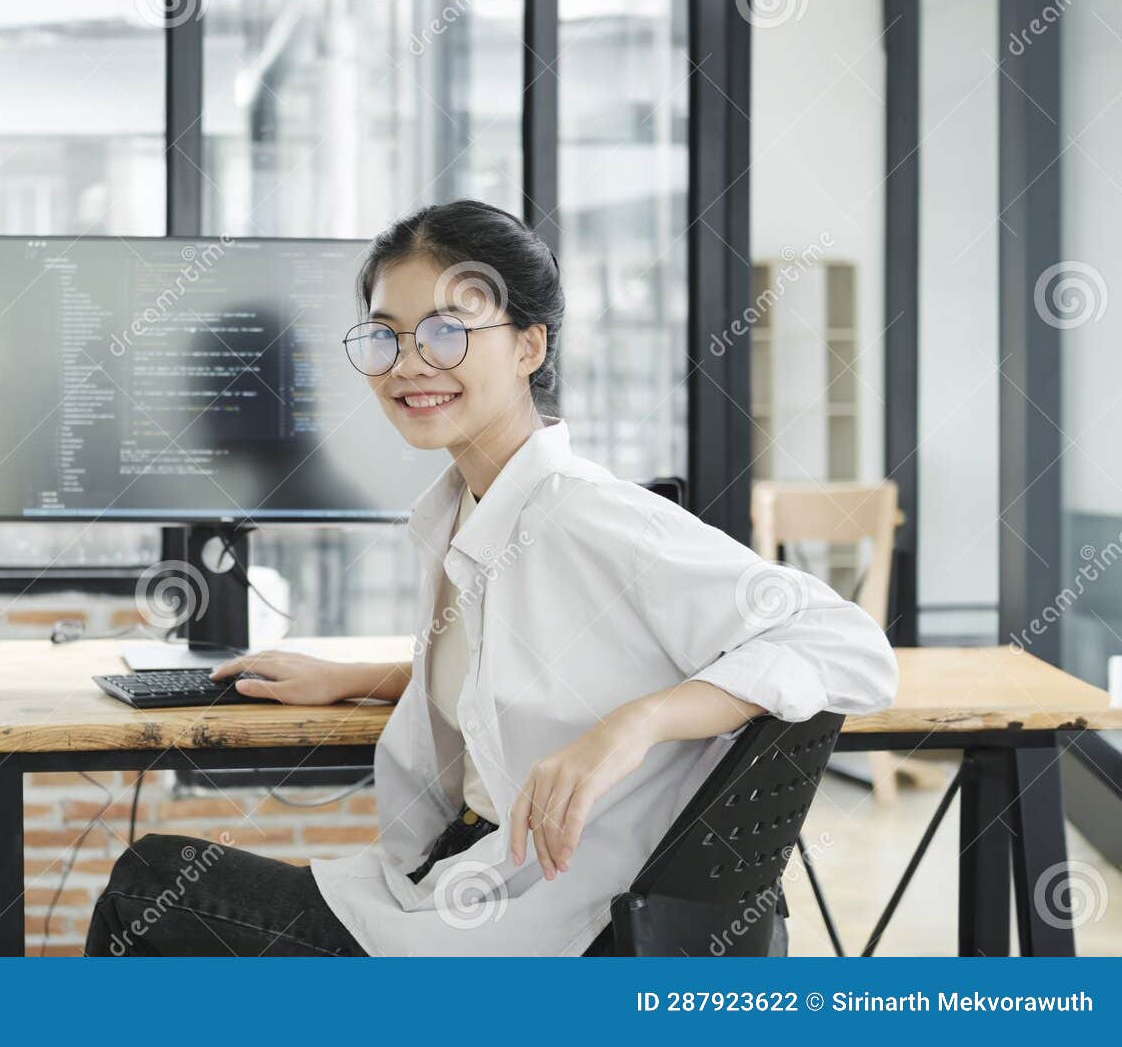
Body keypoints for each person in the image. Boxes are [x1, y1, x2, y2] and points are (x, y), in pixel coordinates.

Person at [86, 199, 898, 957]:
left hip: (554, 933)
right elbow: (518, 673)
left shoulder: (587, 514)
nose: (410, 365)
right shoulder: (467, 509)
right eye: (386, 337)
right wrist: (356, 678)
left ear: (528, 347)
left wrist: (634, 726)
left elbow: (849, 645)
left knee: (146, 884)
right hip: (470, 881)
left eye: (447, 332)